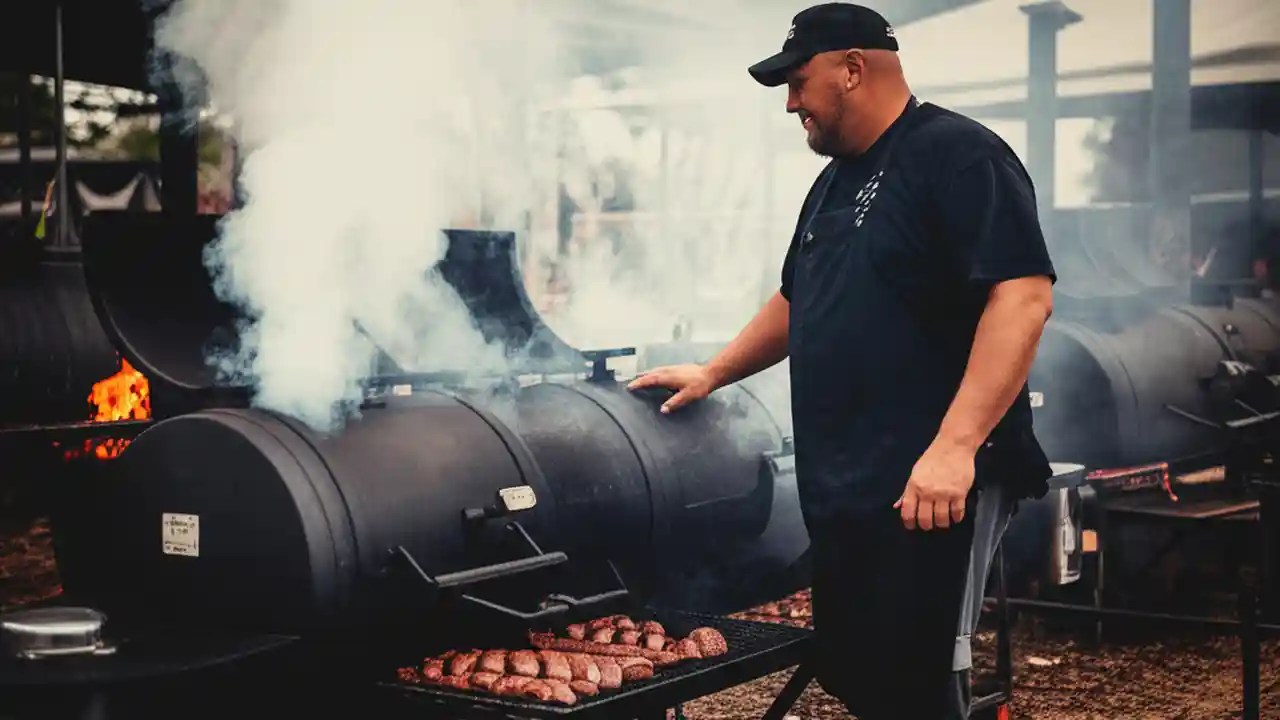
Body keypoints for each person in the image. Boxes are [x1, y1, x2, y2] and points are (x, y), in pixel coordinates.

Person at [628, 4, 1056, 718]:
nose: (791, 103)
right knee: (862, 674)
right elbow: (801, 298)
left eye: (798, 82)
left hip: (933, 488)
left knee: (919, 682)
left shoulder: (959, 156)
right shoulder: (832, 183)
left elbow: (1022, 299)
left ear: (853, 69)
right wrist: (715, 371)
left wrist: (954, 448)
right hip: (851, 488)